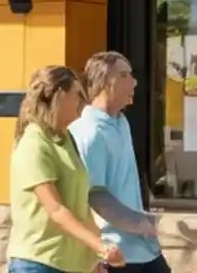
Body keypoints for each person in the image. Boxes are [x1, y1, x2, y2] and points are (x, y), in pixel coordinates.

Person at [8, 65, 124, 273]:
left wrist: (94, 258)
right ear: (59, 95)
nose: (84, 102)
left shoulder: (65, 138)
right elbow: (56, 210)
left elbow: (79, 206)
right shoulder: (34, 142)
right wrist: (100, 247)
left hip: (69, 265)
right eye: (77, 94)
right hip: (38, 263)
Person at [70, 51, 170, 272]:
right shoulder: (89, 132)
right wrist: (148, 224)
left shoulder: (121, 122)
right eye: (124, 75)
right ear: (104, 82)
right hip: (114, 253)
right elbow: (95, 196)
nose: (134, 82)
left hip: (145, 250)